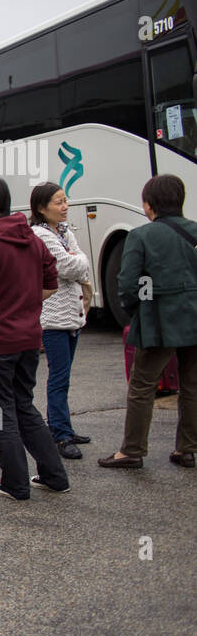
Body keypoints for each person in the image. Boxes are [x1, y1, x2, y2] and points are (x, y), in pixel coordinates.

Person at [0, 177, 68, 500]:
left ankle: (14, 481)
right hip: (28, 339)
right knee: (24, 405)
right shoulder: (33, 240)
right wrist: (25, 304)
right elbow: (51, 283)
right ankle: (54, 474)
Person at [99, 174, 197, 470]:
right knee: (192, 385)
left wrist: (135, 310)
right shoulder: (194, 232)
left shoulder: (141, 236)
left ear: (148, 204)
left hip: (158, 321)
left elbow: (129, 284)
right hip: (194, 318)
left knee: (143, 386)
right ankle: (187, 449)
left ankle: (132, 449)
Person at [29, 183, 94, 460]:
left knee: (64, 377)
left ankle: (63, 425)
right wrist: (79, 261)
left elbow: (79, 262)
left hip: (73, 316)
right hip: (54, 319)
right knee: (58, 377)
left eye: (65, 201)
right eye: (58, 202)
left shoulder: (64, 231)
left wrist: (78, 260)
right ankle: (60, 434)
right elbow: (67, 267)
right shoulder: (40, 234)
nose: (65, 206)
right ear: (42, 208)